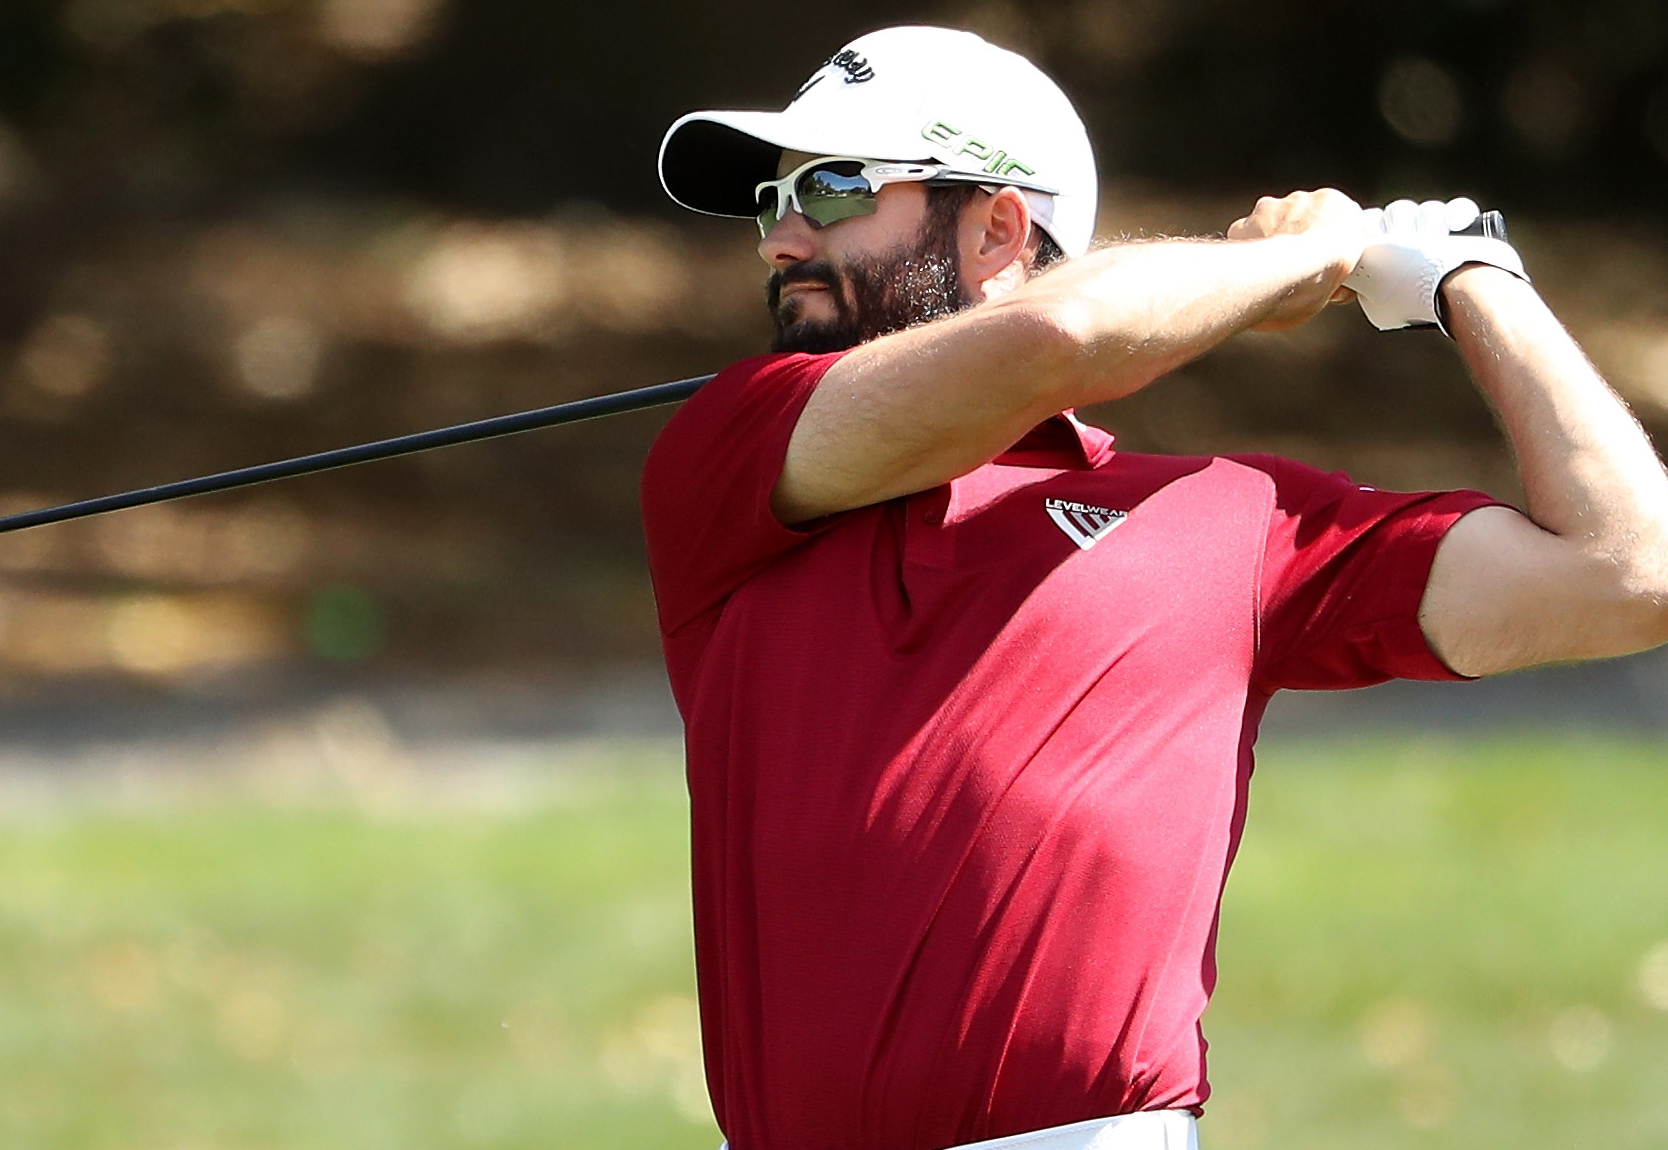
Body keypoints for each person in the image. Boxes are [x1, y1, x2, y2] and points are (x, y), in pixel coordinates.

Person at [639, 24, 1668, 1150]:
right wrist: (1302, 259)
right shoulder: (729, 457)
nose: (780, 238)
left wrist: (1473, 278)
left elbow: (1629, 570)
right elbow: (1063, 328)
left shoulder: (1230, 516)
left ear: (994, 229)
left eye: (832, 190)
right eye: (771, 200)